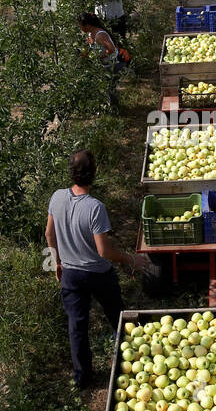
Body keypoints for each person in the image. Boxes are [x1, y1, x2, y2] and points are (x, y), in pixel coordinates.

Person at [45, 149, 152, 390]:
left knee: (77, 326)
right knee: (117, 316)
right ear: (94, 173)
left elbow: (49, 234)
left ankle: (82, 378)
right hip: (98, 274)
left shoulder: (57, 198)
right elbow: (103, 251)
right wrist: (131, 260)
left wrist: (56, 262)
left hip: (71, 274)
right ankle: (135, 360)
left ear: (71, 173)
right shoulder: (94, 207)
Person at [77, 12, 130, 107]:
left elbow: (112, 49)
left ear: (88, 25)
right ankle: (110, 107)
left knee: (108, 87)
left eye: (81, 25)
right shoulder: (90, 34)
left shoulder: (100, 35)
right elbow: (91, 48)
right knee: (105, 86)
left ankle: (114, 109)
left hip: (115, 64)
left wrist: (99, 56)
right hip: (107, 64)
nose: (80, 28)